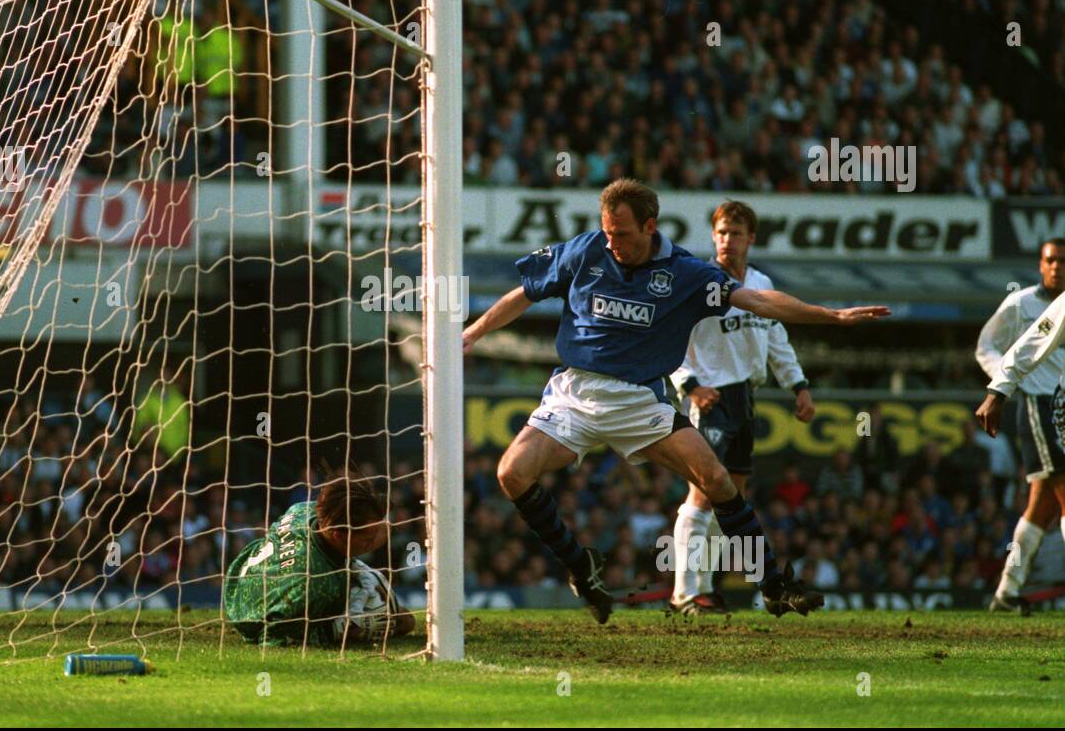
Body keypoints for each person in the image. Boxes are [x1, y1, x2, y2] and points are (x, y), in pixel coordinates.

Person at [462, 178, 888, 623]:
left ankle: (773, 585)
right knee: (511, 473)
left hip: (638, 403)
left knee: (717, 480)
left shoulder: (686, 274)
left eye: (622, 233)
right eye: (607, 231)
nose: (612, 242)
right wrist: (473, 332)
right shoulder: (586, 250)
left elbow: (758, 300)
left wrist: (832, 315)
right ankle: (580, 565)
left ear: (649, 227)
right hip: (575, 394)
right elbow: (526, 293)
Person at [668, 200, 813, 614]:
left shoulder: (761, 282)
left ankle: (704, 589)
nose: (727, 239)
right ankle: (684, 592)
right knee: (702, 492)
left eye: (735, 232)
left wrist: (798, 386)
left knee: (732, 499)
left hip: (745, 398)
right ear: (713, 237)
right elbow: (670, 336)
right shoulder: (700, 281)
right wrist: (690, 385)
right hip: (711, 398)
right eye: (721, 232)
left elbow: (777, 341)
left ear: (752, 237)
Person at [223, 470, 416, 647]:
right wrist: (336, 633)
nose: (376, 541)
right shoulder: (313, 585)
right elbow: (271, 640)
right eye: (369, 540)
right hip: (249, 613)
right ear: (338, 535)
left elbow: (378, 530)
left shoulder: (302, 510)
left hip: (241, 575)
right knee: (403, 621)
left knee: (402, 617)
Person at [974, 238, 1065, 613]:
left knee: (1041, 508)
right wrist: (1005, 385)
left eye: (1063, 261)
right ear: (1041, 264)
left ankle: (1007, 593)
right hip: (1039, 405)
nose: (1057, 267)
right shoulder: (1021, 303)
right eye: (1051, 260)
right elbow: (988, 346)